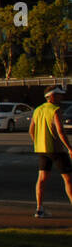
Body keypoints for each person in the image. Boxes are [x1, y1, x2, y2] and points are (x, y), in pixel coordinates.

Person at [30, 85, 72, 218]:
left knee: (42, 179)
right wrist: (69, 148)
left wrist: (37, 142)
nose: (61, 97)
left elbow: (31, 130)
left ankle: (39, 209)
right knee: (68, 179)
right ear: (51, 96)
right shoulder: (55, 110)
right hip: (56, 150)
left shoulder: (38, 109)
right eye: (59, 95)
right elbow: (60, 131)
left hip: (42, 150)